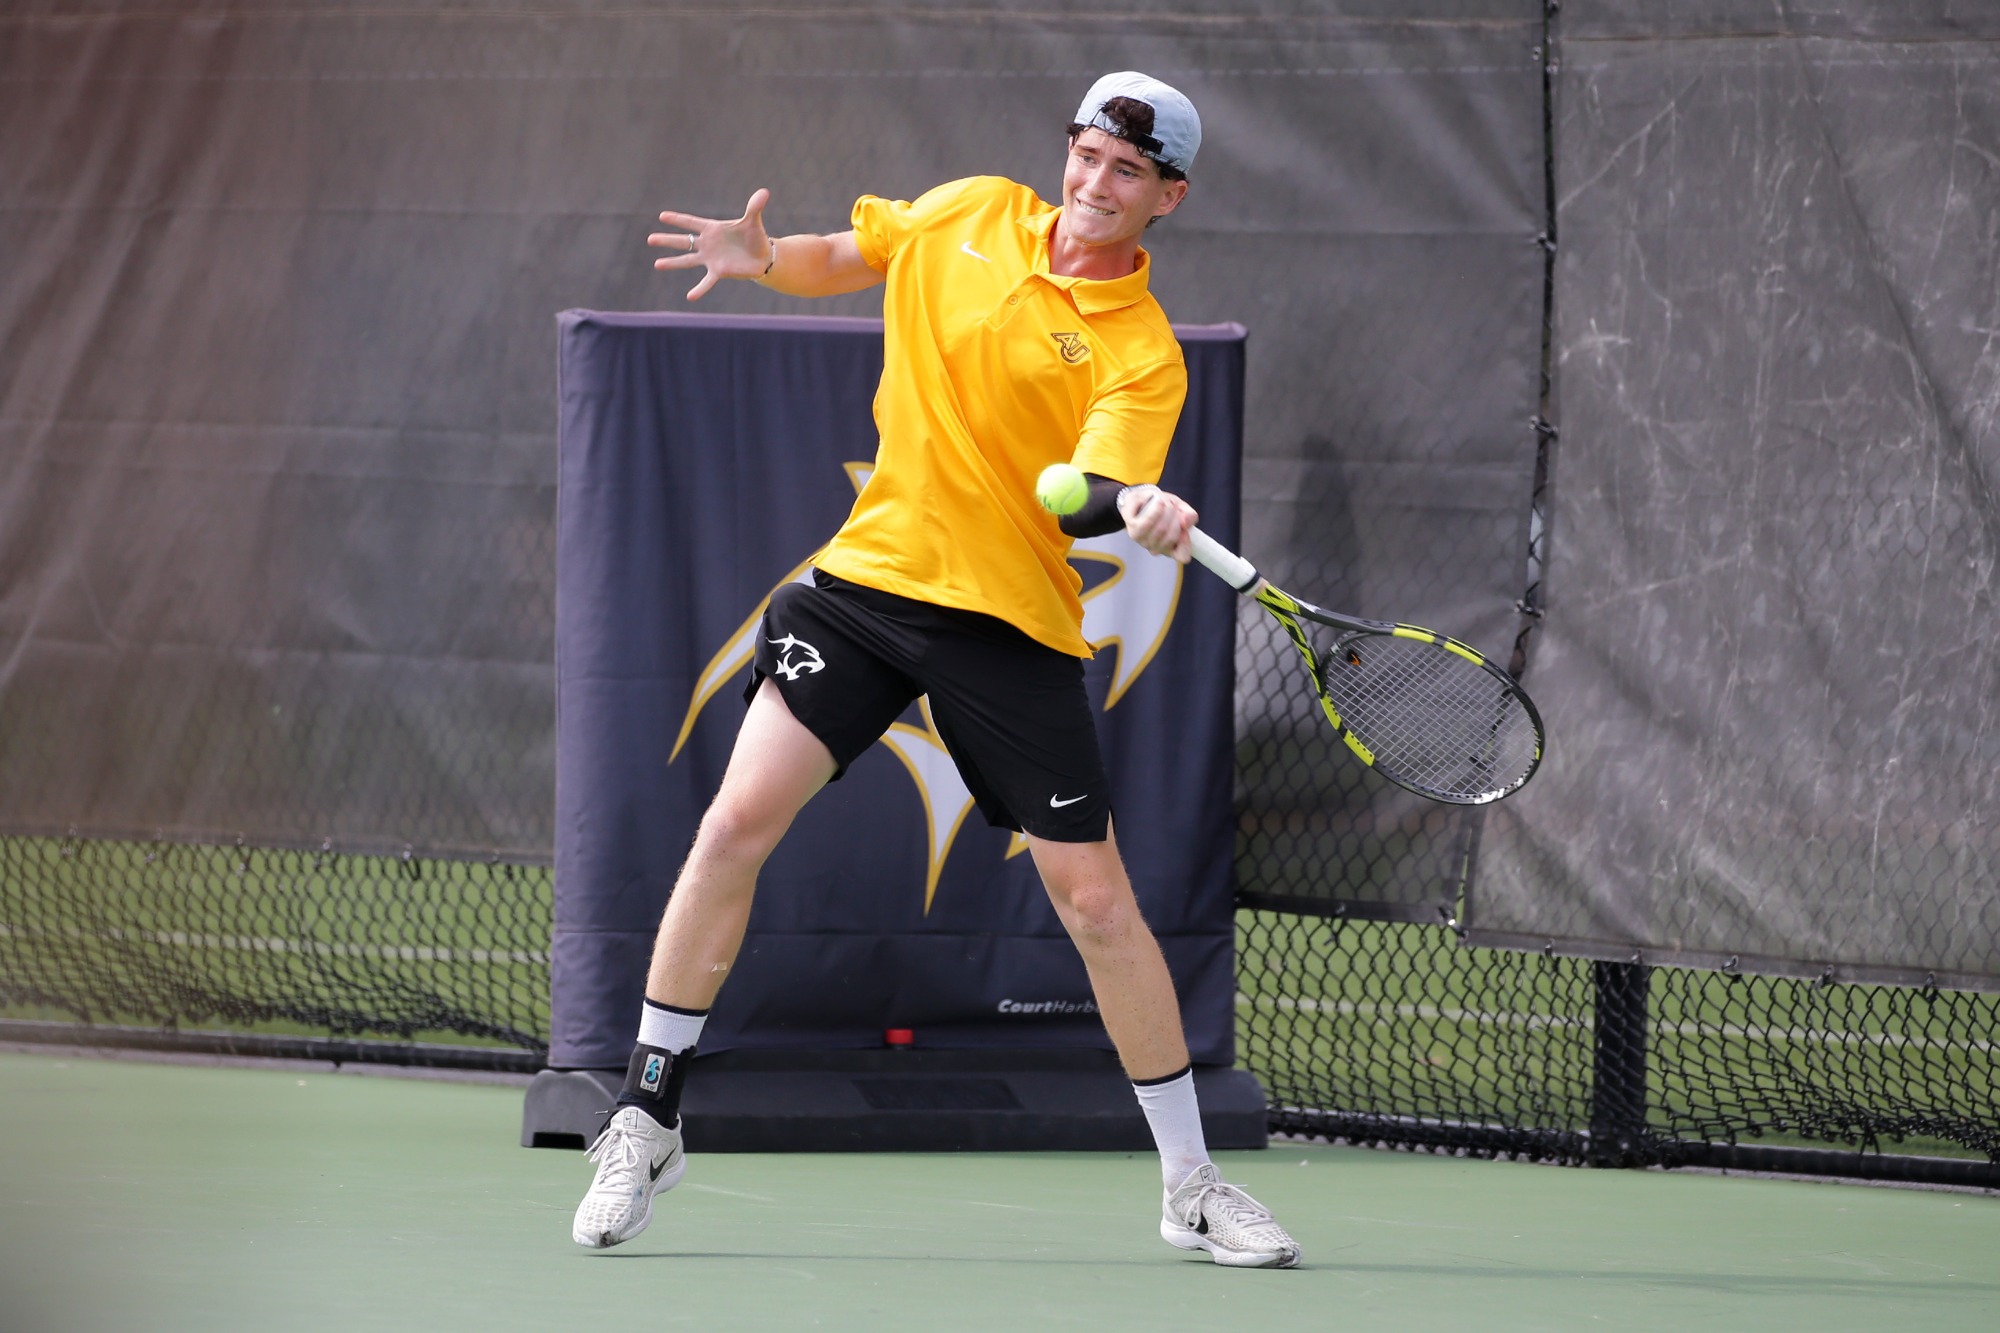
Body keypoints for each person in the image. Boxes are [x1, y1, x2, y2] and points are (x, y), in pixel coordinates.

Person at [572, 71, 1299, 1270]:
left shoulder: (1138, 351)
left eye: (1126, 170)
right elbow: (845, 255)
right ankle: (646, 1119)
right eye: (1085, 154)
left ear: (1165, 197)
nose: (1094, 182)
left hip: (1008, 628)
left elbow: (1083, 492)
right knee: (734, 824)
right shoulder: (967, 210)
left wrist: (1137, 505)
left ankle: (1190, 1183)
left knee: (1096, 905)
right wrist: (763, 260)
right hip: (866, 587)